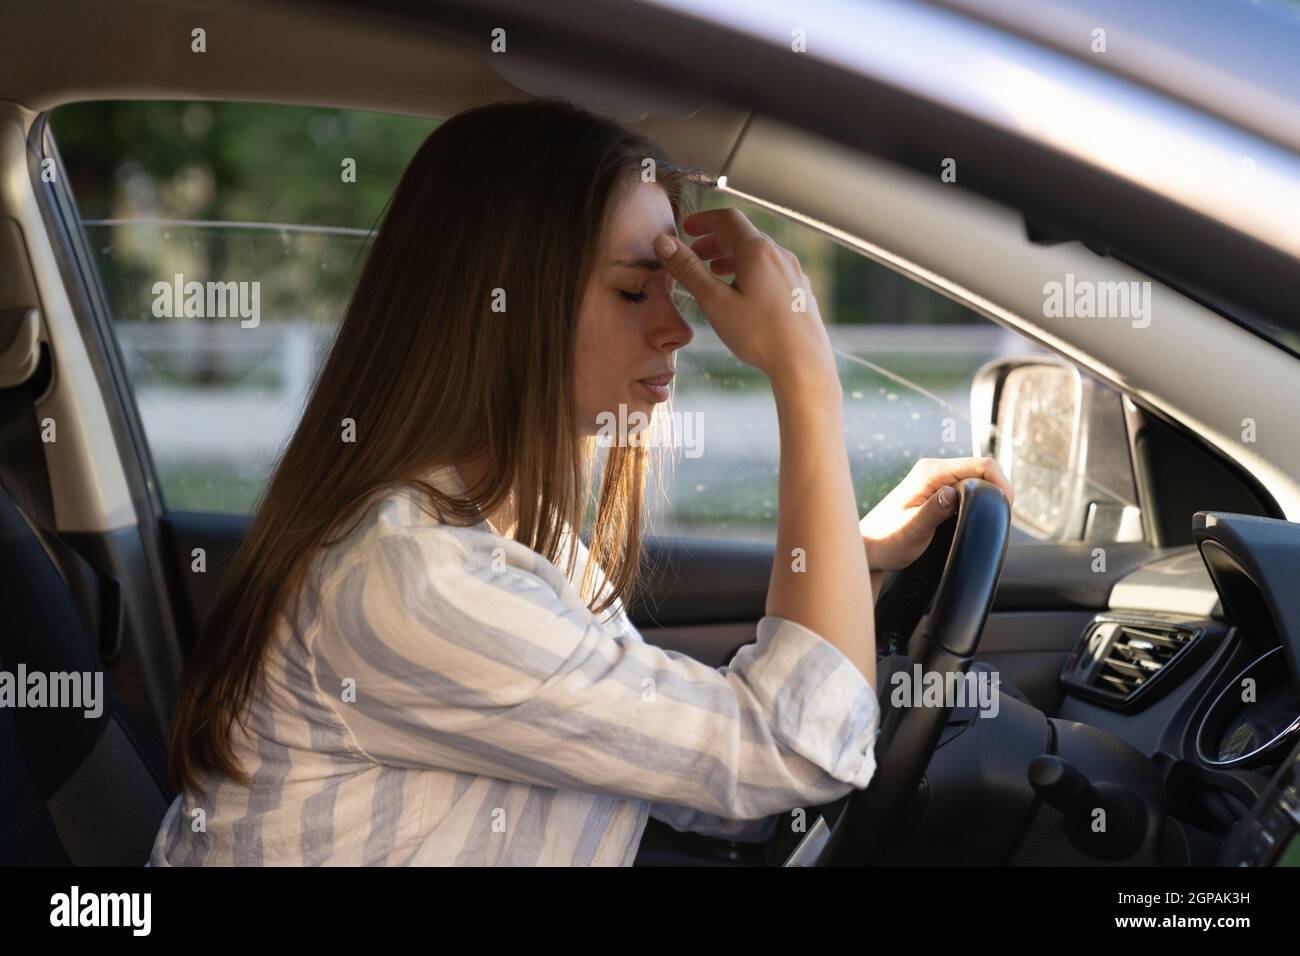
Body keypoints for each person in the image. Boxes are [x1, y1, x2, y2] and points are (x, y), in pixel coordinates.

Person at [151, 97, 1013, 866]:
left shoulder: (505, 535)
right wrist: (806, 380)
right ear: (506, 306)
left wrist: (844, 561)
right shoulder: (415, 582)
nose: (678, 330)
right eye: (638, 289)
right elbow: (790, 752)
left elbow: (691, 777)